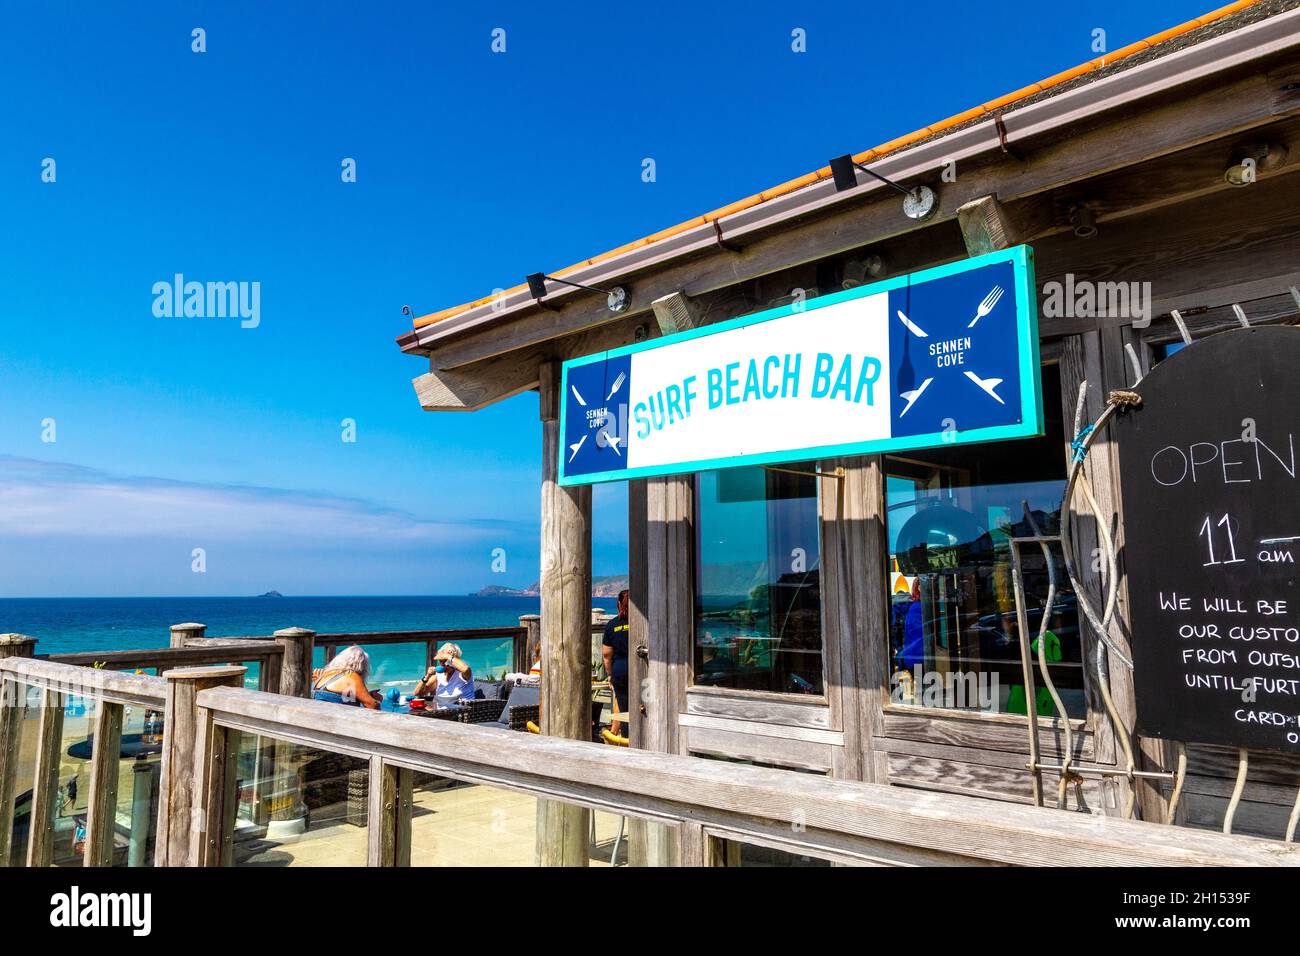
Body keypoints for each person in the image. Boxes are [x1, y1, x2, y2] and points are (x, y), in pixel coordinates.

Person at [312, 645, 381, 709]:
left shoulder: (326, 674)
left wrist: (368, 695)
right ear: (362, 665)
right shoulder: (351, 676)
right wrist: (377, 701)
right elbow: (372, 705)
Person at [601, 590, 631, 736]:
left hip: (620, 671)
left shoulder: (611, 625)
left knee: (624, 709)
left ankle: (626, 738)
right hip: (640, 671)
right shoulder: (642, 624)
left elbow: (607, 655)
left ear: (619, 604)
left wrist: (610, 675)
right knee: (643, 707)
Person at [415, 642, 476, 709]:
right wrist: (427, 676)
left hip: (461, 714)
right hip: (441, 713)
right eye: (440, 661)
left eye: (445, 661)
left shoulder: (462, 674)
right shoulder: (439, 676)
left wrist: (447, 656)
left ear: (453, 660)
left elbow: (466, 669)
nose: (442, 664)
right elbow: (418, 693)